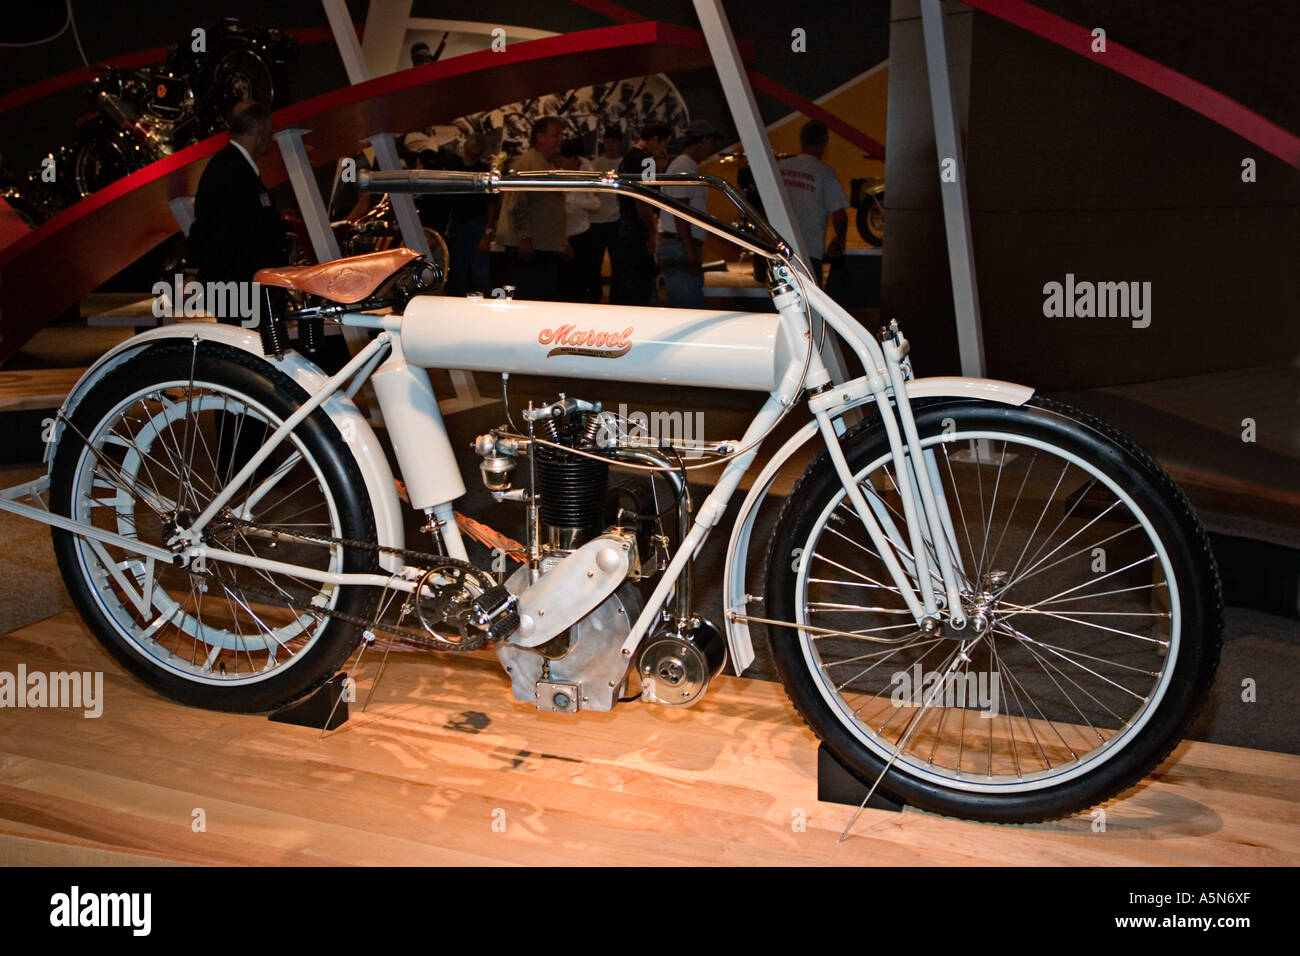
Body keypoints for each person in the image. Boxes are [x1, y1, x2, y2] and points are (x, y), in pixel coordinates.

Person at [189, 100, 288, 321]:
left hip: (239, 291)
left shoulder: (227, 166)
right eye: (270, 132)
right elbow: (220, 233)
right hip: (241, 293)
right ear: (258, 129)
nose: (271, 139)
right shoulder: (232, 171)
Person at [498, 116, 566, 300]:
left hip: (545, 247)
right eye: (556, 135)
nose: (561, 139)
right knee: (532, 300)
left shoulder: (548, 164)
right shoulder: (527, 163)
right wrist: (525, 238)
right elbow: (517, 203)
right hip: (531, 249)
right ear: (540, 137)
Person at [658, 119, 720, 308]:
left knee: (681, 305)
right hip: (679, 246)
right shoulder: (683, 168)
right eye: (712, 142)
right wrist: (690, 251)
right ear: (704, 141)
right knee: (689, 307)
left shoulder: (685, 166)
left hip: (679, 244)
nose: (714, 147)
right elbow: (681, 212)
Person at [778, 119, 849, 285]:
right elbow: (839, 216)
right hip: (809, 253)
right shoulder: (824, 173)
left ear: (801, 140)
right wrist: (840, 241)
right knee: (809, 307)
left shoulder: (780, 168)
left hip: (779, 249)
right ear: (824, 143)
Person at [611, 122, 672, 305]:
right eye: (663, 144)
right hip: (638, 225)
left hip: (625, 222)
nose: (662, 149)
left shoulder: (628, 157)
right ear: (655, 140)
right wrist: (652, 231)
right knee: (640, 279)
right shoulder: (646, 161)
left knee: (626, 276)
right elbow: (644, 198)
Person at [444, 133, 498, 296]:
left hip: (476, 224)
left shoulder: (483, 171)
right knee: (458, 271)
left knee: (479, 272)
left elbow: (492, 204)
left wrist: (487, 232)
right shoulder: (454, 166)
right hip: (457, 223)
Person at [559, 139, 602, 302]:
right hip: (561, 234)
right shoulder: (559, 171)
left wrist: (570, 199)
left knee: (583, 280)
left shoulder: (588, 173)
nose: (561, 164)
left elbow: (596, 204)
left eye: (563, 159)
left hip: (581, 233)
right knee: (565, 283)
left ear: (572, 158)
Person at [588, 125, 624, 301]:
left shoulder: (622, 164)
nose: (610, 145)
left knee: (618, 263)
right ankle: (594, 298)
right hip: (595, 220)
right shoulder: (596, 164)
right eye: (607, 141)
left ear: (620, 143)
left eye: (614, 141)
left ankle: (616, 299)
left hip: (616, 219)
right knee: (594, 264)